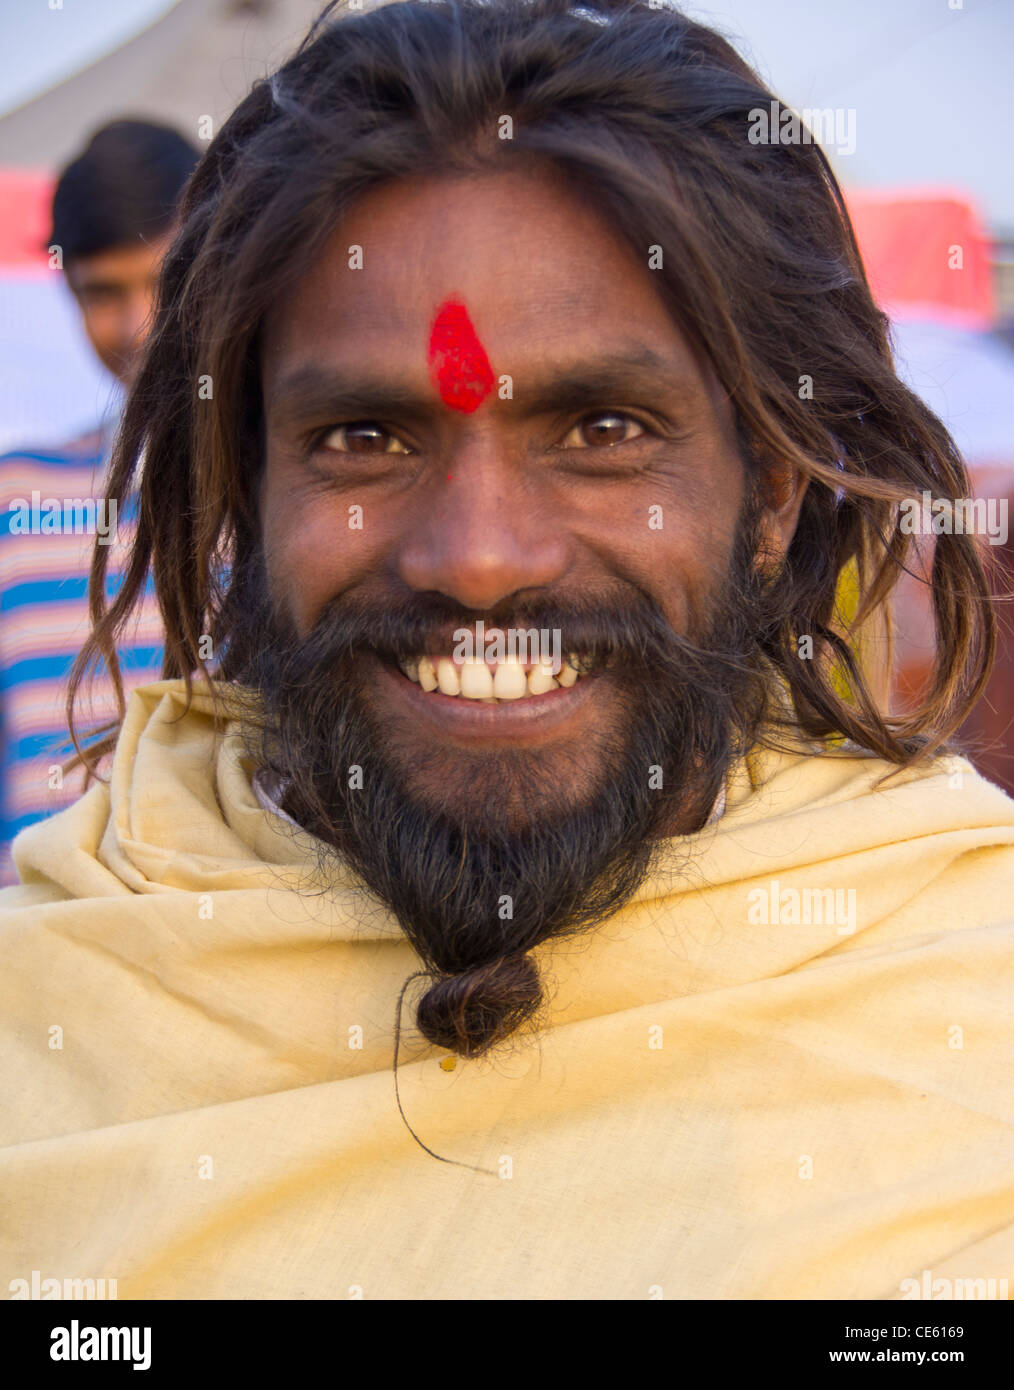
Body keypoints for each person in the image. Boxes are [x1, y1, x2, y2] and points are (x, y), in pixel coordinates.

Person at [1, 0, 1012, 1301]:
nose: (478, 556)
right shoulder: (51, 1018)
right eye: (365, 436)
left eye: (601, 427)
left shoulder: (964, 993)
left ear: (766, 493)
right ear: (247, 488)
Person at [0, 120, 198, 883]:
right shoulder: (20, 501)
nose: (136, 324)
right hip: (41, 960)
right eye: (101, 293)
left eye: (162, 281)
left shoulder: (294, 493)